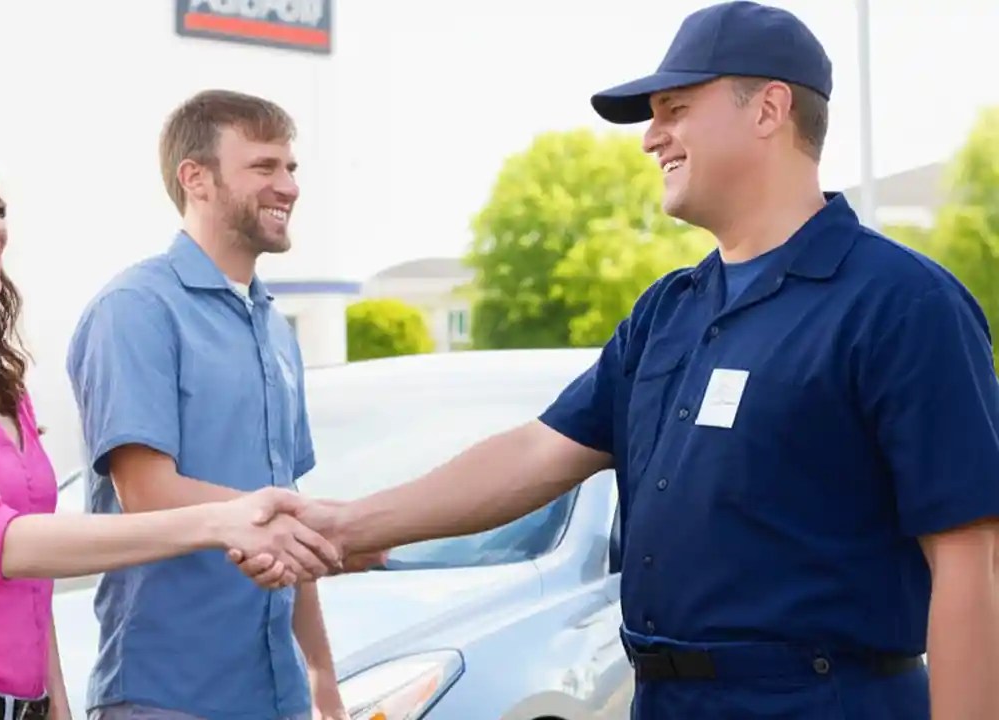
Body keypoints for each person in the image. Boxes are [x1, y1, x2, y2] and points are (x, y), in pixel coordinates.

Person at [234, 3, 999, 719]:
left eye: (675, 110)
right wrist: (345, 523)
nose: (650, 137)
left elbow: (971, 563)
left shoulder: (902, 305)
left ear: (768, 109)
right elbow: (536, 453)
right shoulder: (670, 311)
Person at [0, 139, 340, 720]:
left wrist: (57, 708)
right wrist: (220, 521)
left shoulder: (2, 388)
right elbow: (4, 543)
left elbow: (32, 587)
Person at [65, 89, 355, 720]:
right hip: (167, 696)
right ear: (195, 179)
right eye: (264, 167)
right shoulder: (137, 310)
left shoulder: (275, 327)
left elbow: (287, 498)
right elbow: (146, 492)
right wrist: (304, 521)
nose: (288, 186)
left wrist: (322, 678)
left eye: (291, 167)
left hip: (276, 697)